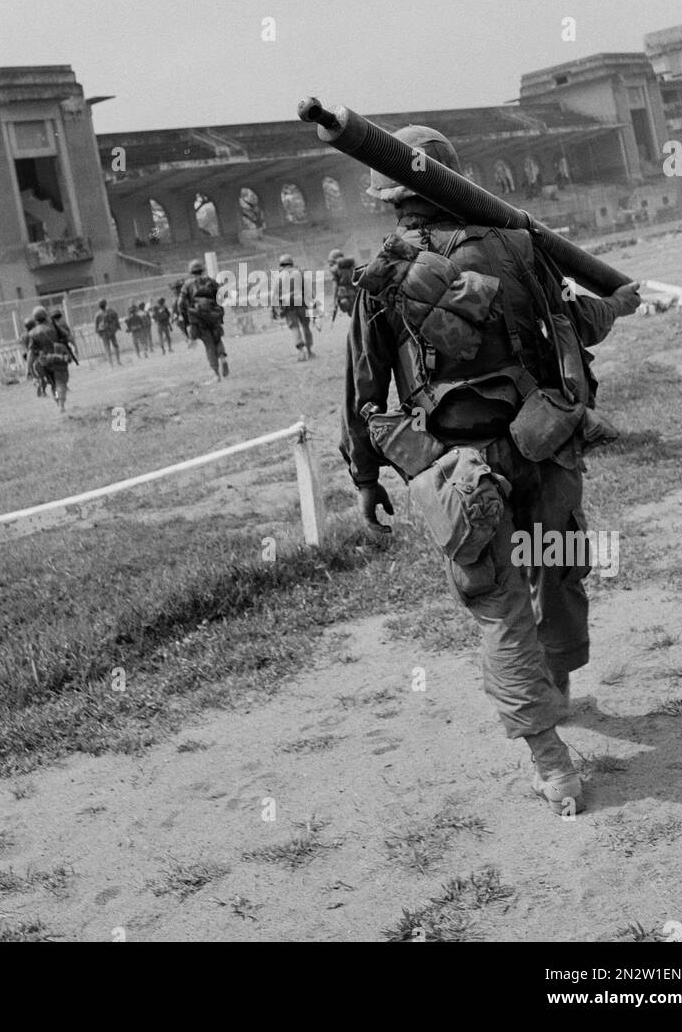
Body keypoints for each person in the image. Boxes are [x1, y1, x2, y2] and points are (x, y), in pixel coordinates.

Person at [339, 124, 641, 815]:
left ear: (393, 201)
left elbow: (363, 388)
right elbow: (573, 326)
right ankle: (556, 687)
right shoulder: (515, 246)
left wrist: (365, 476)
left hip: (458, 473)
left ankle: (551, 763)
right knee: (557, 569)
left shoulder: (382, 275)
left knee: (497, 609)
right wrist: (617, 304)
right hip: (543, 449)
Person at [177, 258, 229, 381]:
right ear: (202, 269)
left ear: (191, 271)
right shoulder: (211, 281)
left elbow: (180, 304)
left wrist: (186, 317)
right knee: (217, 339)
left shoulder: (187, 285)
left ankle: (216, 374)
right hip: (214, 316)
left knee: (208, 344)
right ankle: (223, 358)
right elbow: (223, 296)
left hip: (198, 319)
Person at [26, 305, 74, 413]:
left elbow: (31, 352)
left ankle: (58, 401)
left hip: (45, 361)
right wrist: (74, 348)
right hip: (59, 359)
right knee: (60, 382)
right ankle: (61, 404)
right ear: (45, 315)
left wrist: (28, 368)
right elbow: (68, 337)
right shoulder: (54, 327)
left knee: (53, 384)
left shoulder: (32, 333)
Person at [271, 253, 314, 359]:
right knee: (306, 326)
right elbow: (307, 289)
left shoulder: (278, 276)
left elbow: (275, 295)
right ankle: (309, 350)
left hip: (288, 306)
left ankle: (301, 351)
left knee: (295, 328)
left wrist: (273, 310)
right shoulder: (299, 272)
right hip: (301, 303)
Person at [94, 299, 122, 366]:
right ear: (105, 304)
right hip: (111, 331)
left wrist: (98, 333)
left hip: (104, 332)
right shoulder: (111, 311)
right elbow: (116, 318)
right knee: (115, 346)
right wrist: (117, 327)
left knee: (107, 348)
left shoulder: (97, 314)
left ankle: (111, 364)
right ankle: (118, 361)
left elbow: (96, 326)